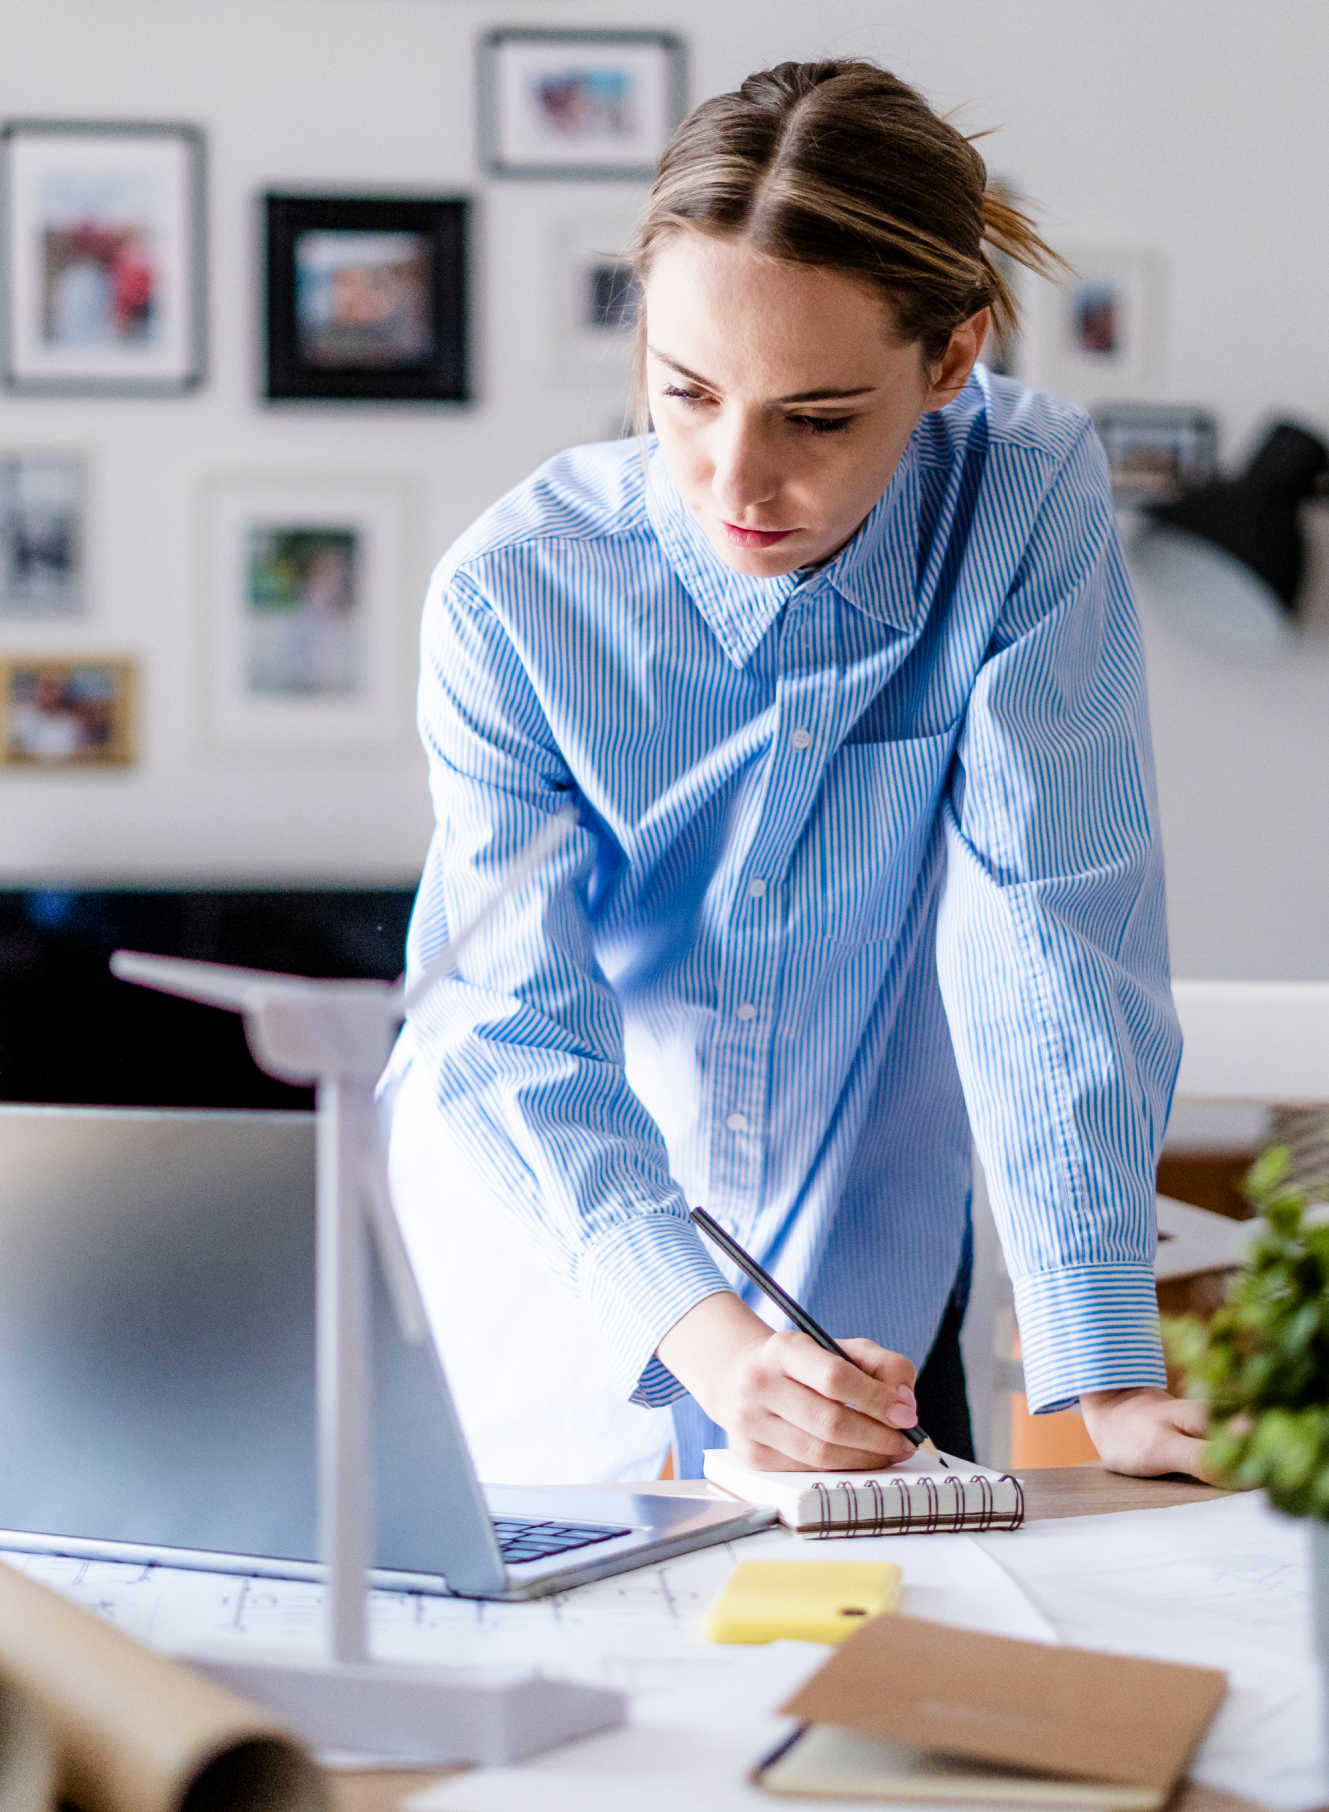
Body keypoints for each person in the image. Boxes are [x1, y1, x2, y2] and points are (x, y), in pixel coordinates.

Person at [382, 58, 1208, 1486]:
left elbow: (1050, 921)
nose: (735, 485)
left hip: (865, 1296)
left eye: (818, 418)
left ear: (951, 361)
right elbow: (511, 1023)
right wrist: (708, 1340)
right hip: (551, 1296)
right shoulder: (508, 597)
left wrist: (1107, 1371)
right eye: (686, 394)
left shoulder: (1021, 496)